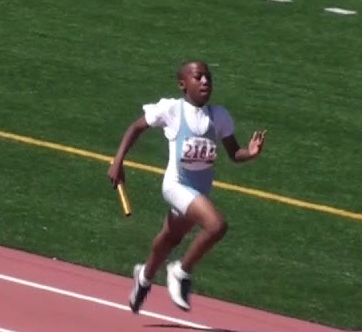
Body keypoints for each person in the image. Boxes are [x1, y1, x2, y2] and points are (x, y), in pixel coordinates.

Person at [107, 61, 266, 313]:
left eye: (208, 77)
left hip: (199, 191)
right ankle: (181, 271)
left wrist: (250, 153)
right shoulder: (172, 110)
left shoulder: (219, 116)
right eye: (198, 77)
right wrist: (118, 162)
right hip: (176, 186)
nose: (205, 81)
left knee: (170, 238)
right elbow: (136, 127)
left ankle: (144, 278)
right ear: (183, 84)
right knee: (216, 225)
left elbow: (234, 153)